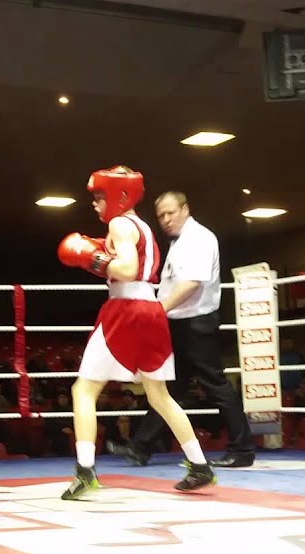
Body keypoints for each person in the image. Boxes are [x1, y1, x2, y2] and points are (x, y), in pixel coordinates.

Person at [56, 166, 215, 499]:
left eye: (100, 197)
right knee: (160, 396)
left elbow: (127, 269)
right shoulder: (141, 225)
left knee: (83, 389)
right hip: (152, 310)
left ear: (118, 196)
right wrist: (100, 250)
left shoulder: (120, 224)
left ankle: (85, 472)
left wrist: (92, 258)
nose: (95, 204)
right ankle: (200, 466)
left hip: (125, 310)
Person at [110, 191, 256, 468]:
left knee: (214, 384)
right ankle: (140, 447)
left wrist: (156, 311)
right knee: (170, 388)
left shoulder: (198, 238)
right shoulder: (181, 242)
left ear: (185, 209)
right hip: (181, 322)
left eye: (170, 213)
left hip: (196, 322)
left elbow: (191, 284)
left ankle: (243, 449)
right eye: (161, 216)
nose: (165, 220)